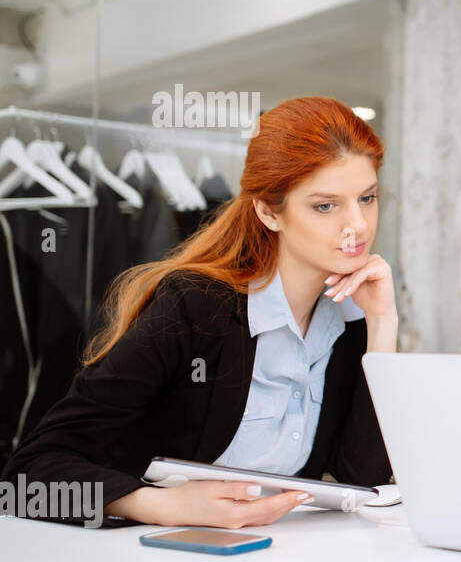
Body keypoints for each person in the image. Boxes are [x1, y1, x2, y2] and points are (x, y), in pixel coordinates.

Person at [1, 97, 398, 529]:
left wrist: (382, 325)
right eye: (326, 205)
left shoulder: (352, 315)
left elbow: (363, 478)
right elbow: (28, 472)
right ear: (268, 211)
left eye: (367, 197)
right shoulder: (195, 307)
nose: (357, 225)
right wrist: (158, 505)